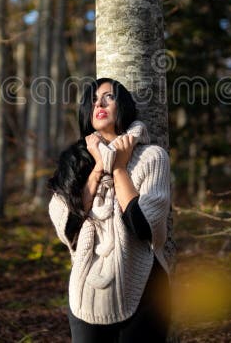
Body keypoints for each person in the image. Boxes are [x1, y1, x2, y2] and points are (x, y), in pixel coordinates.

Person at [48, 78, 172, 342]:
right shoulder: (73, 162)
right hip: (86, 292)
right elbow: (68, 226)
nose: (99, 104)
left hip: (145, 290)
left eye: (108, 97)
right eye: (93, 100)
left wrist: (118, 168)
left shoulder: (152, 157)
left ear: (123, 106)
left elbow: (143, 226)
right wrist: (96, 169)